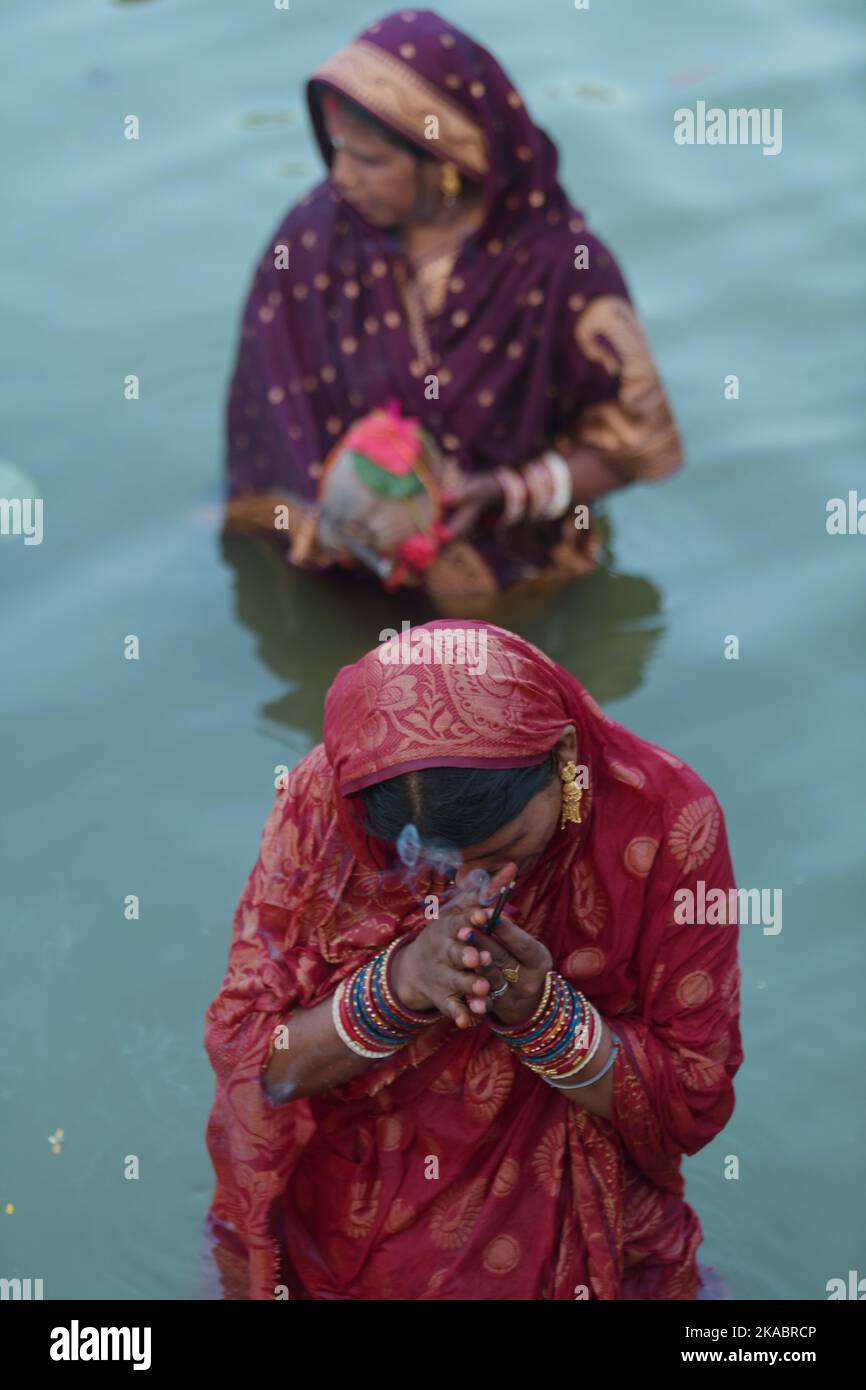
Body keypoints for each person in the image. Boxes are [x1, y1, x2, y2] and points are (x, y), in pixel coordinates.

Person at [203, 621, 742, 1300]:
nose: (475, 889)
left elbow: (693, 1099)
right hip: (359, 1233)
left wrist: (543, 1016)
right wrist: (399, 986)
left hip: (591, 1235)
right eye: (432, 866)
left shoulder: (667, 822)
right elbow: (253, 1064)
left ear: (565, 758)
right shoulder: (329, 806)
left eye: (504, 849)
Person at [224, 9, 683, 608]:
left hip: (512, 580)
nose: (340, 177)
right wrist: (339, 509)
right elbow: (271, 408)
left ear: (444, 164)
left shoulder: (564, 271)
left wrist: (506, 493)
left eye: (370, 160)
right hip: (344, 570)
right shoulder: (313, 239)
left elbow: (631, 446)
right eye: (338, 150)